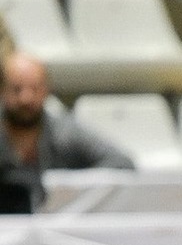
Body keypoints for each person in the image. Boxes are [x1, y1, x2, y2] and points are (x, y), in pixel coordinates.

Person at [0, 51, 132, 211]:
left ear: (46, 90)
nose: (26, 98)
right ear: (2, 90)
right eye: (17, 89)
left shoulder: (65, 132)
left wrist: (71, 185)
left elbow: (122, 164)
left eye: (34, 89)